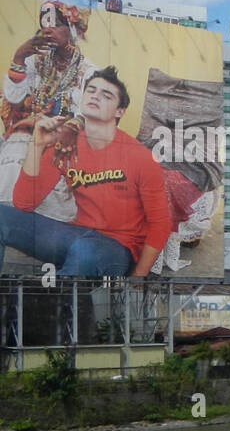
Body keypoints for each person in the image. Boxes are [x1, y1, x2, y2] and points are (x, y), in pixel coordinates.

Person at [0, 67, 170, 276]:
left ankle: (47, 302)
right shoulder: (66, 145)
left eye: (106, 95)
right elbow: (24, 203)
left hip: (116, 247)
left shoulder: (140, 156)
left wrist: (138, 277)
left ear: (119, 111)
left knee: (85, 252)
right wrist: (36, 145)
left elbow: (160, 223)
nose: (95, 96)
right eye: (91, 90)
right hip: (75, 235)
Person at [3, 0, 96, 138]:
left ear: (73, 30)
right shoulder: (33, 60)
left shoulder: (88, 72)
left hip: (62, 140)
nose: (47, 30)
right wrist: (19, 57)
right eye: (44, 25)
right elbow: (14, 101)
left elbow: (88, 117)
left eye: (56, 25)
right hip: (26, 135)